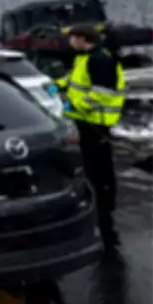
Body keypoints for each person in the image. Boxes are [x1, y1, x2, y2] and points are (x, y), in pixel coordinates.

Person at [54, 23, 126, 215]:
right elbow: (75, 79)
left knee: (100, 166)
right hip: (86, 121)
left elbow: (103, 94)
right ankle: (98, 199)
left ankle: (105, 204)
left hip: (96, 122)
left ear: (82, 38)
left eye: (72, 38)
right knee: (91, 164)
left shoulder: (100, 60)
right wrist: (57, 85)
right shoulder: (84, 58)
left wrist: (77, 106)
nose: (69, 42)